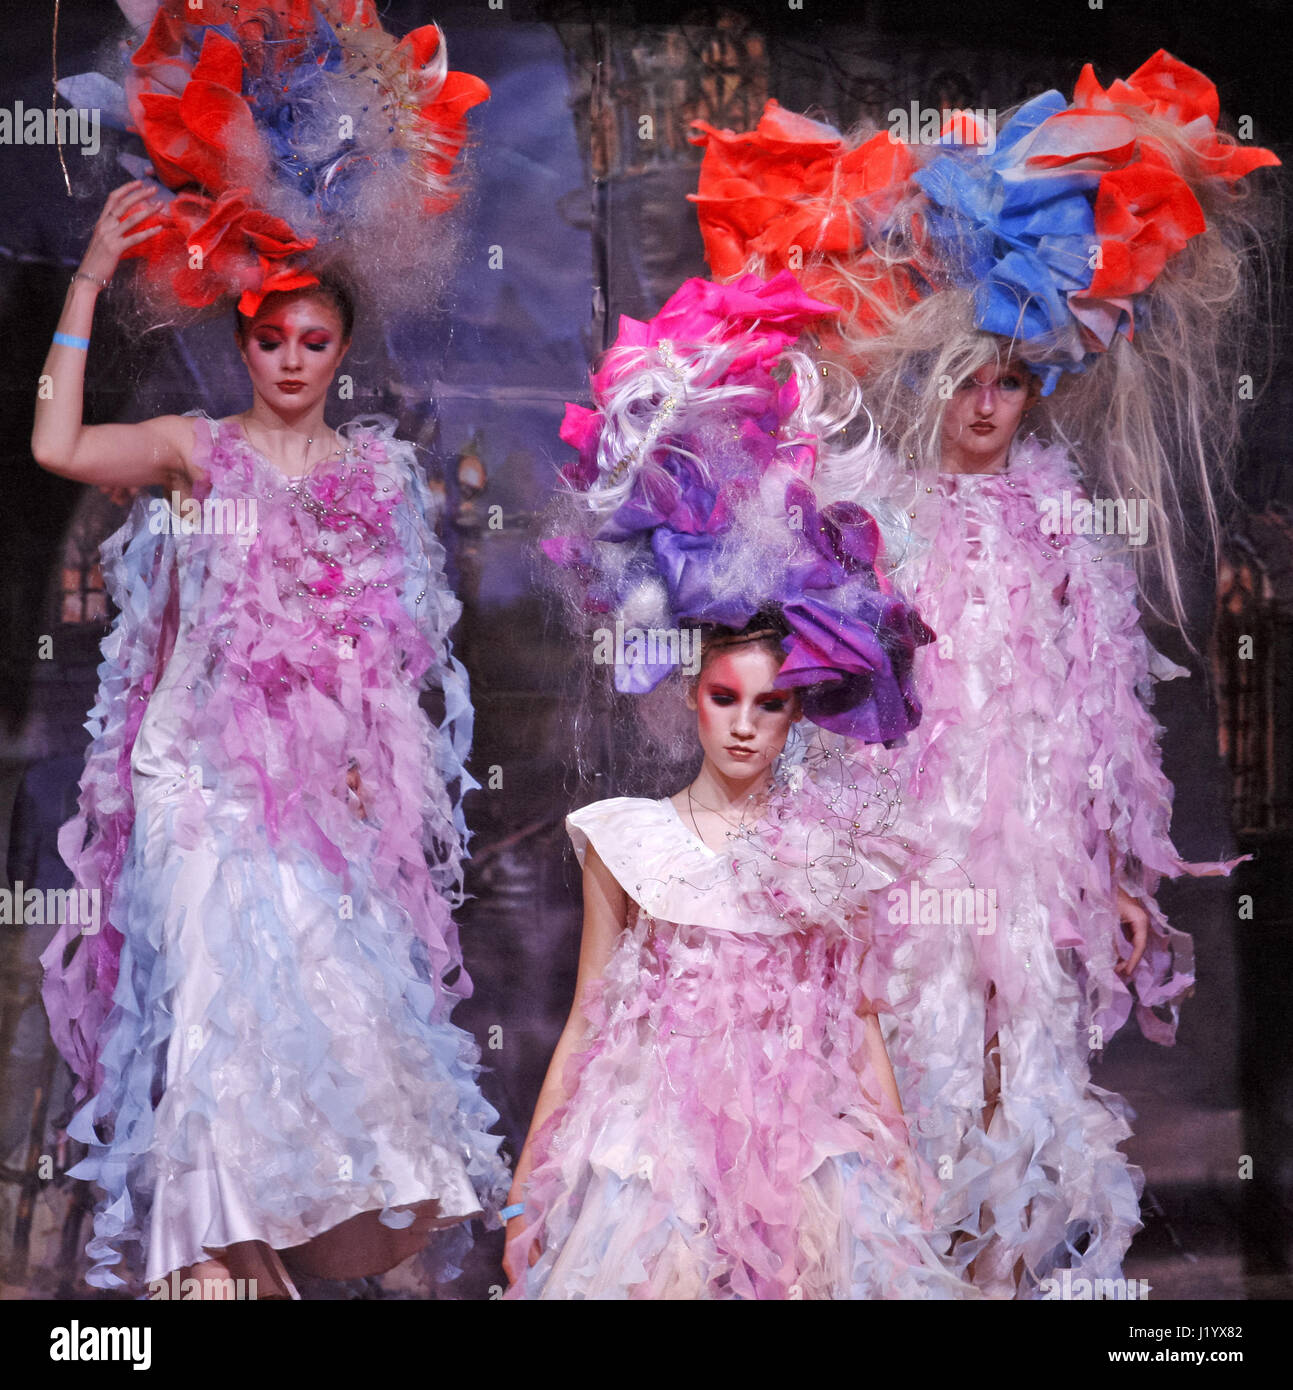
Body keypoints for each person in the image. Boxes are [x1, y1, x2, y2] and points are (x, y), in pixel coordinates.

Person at [687, 50, 1279, 1295]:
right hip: (916, 851)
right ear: (935, 378)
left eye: (1012, 382)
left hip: (1035, 853)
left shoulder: (1064, 526)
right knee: (923, 1078)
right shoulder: (884, 518)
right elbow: (838, 703)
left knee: (1037, 1091)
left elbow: (1104, 709)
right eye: (971, 377)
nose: (990, 403)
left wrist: (1118, 872)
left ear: (1033, 390)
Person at [33, 179, 509, 1299]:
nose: (290, 359)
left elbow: (389, 661)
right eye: (267, 337)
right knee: (204, 1005)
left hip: (319, 797)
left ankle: (256, 1262)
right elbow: (55, 445)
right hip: (195, 776)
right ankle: (201, 1270)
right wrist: (95, 272)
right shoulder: (197, 452)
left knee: (316, 1025)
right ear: (242, 341)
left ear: (341, 348)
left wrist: (370, 781)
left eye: (313, 338)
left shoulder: (375, 478)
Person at [506, 271, 974, 1298]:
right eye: (726, 698)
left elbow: (856, 1018)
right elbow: (589, 1012)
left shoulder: (827, 852)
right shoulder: (627, 841)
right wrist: (533, 1183)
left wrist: (900, 1165)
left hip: (801, 1135)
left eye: (771, 704)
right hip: (655, 1139)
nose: (747, 724)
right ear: (691, 696)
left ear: (798, 709)